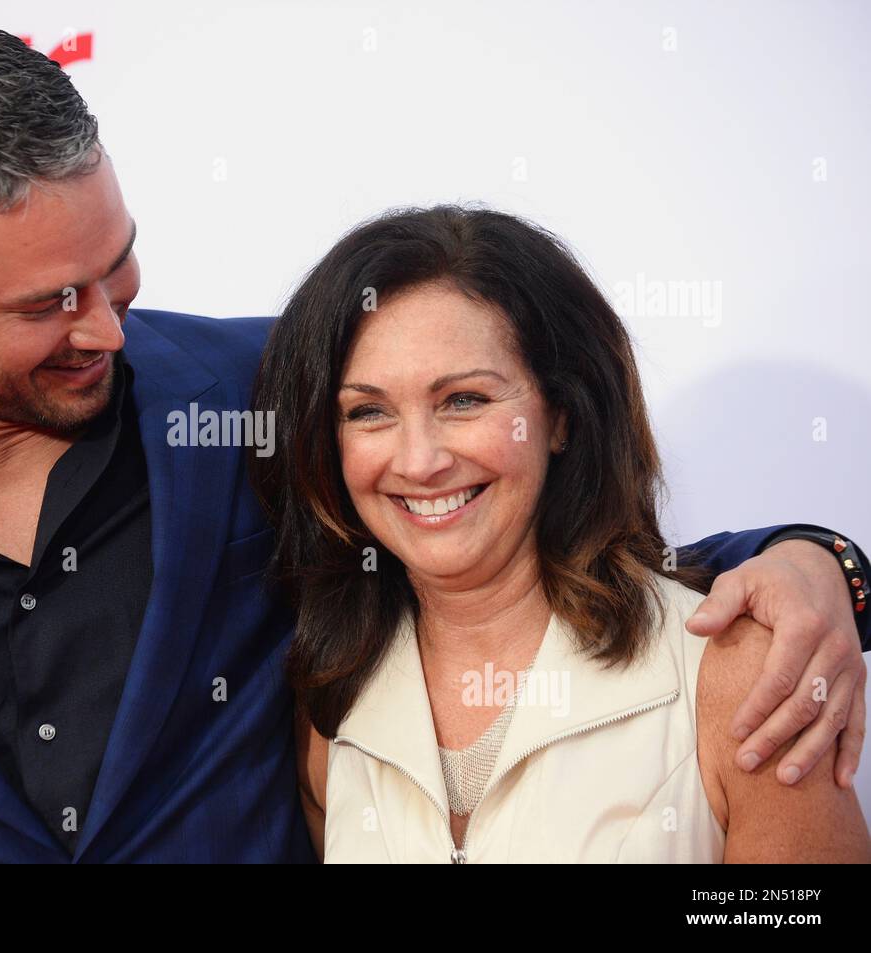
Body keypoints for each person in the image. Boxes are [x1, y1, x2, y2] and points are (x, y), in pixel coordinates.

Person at [0, 28, 870, 863]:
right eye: (49, 304)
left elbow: (503, 525)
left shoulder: (261, 390)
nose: (106, 326)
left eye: (117, 266)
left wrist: (812, 558)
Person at [249, 205, 871, 862]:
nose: (419, 460)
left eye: (464, 399)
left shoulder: (741, 676)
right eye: (369, 411)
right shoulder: (330, 704)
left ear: (562, 416)